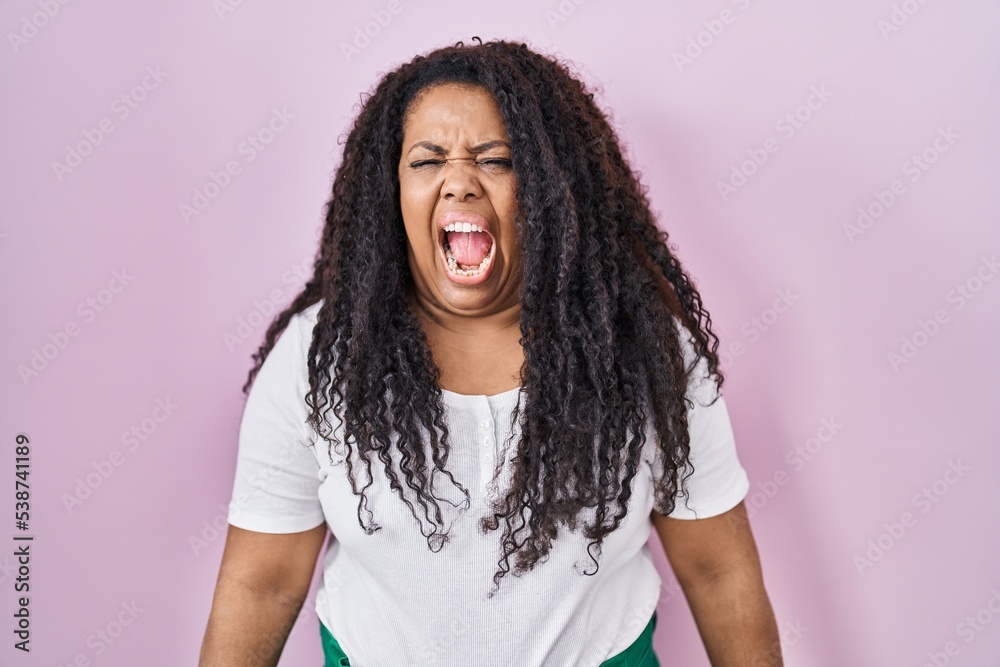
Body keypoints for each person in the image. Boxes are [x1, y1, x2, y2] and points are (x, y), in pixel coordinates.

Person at [199, 38, 782, 667]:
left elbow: (718, 570)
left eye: (496, 159)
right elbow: (263, 583)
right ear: (390, 192)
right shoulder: (322, 356)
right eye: (426, 162)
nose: (458, 183)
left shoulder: (644, 350)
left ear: (553, 186)